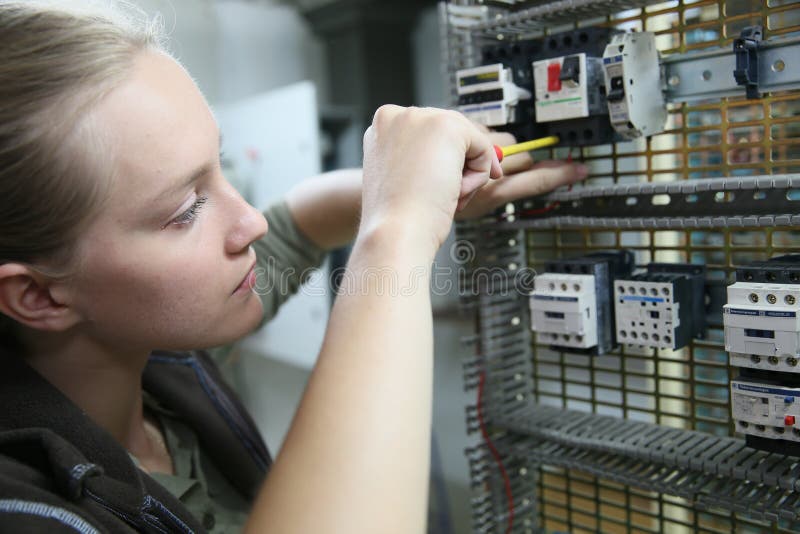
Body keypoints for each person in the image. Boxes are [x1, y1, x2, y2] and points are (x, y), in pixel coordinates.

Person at [0, 2, 587, 532]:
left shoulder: (151, 350)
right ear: (39, 297)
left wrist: (413, 190)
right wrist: (398, 229)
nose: (248, 222)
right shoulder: (29, 511)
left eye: (218, 167)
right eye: (186, 210)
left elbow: (296, 221)